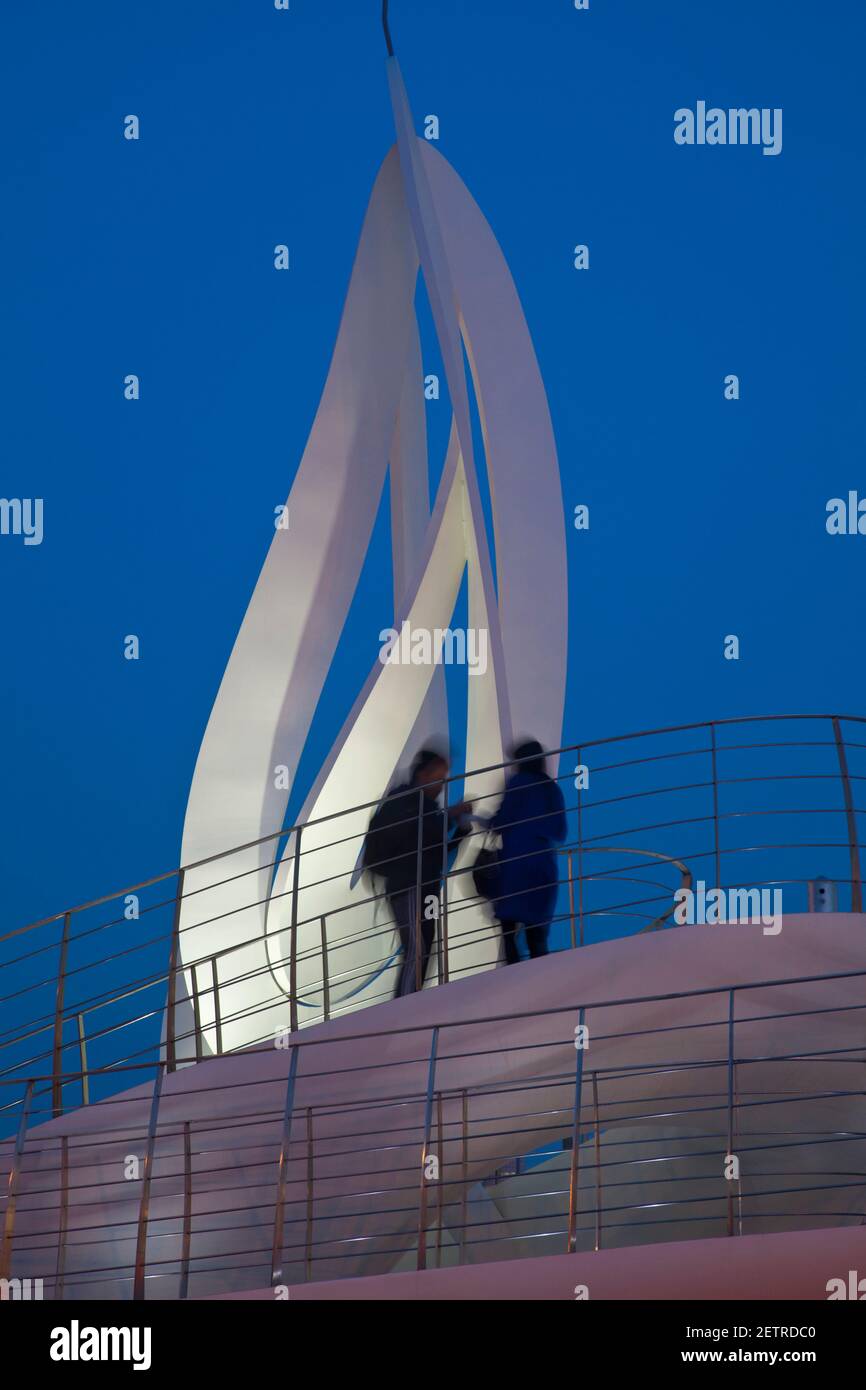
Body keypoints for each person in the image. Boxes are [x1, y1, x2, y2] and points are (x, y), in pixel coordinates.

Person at [363, 747, 471, 997]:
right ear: (423, 774)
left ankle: (411, 1000)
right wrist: (451, 817)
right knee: (416, 947)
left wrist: (461, 832)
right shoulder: (406, 801)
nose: (443, 784)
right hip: (408, 885)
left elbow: (435, 851)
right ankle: (403, 1007)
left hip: (426, 886)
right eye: (439, 776)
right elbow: (418, 834)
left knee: (425, 946)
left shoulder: (428, 807)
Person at [486, 740, 567, 964]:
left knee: (509, 933)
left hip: (514, 867)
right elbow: (560, 832)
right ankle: (540, 987)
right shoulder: (551, 789)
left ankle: (512, 986)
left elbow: (502, 820)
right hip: (542, 868)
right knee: (537, 937)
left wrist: (486, 821)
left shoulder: (517, 784)